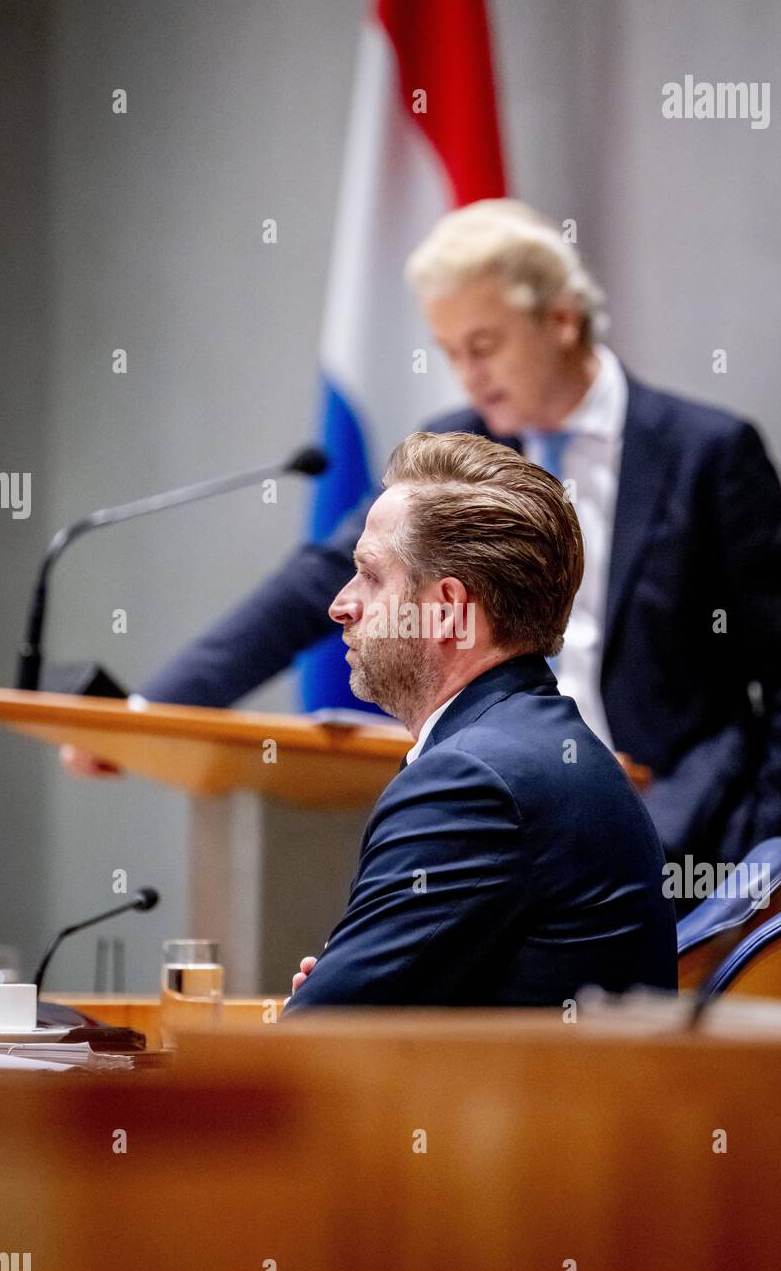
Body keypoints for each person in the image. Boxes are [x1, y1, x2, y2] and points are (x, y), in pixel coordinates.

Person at [64, 200, 781, 868]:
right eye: (451, 351)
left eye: (485, 345)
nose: (467, 374)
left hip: (685, 829)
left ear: (561, 318)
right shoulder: (457, 448)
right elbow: (318, 582)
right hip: (510, 812)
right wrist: (146, 714)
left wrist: (780, 841)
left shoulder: (706, 452)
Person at [281, 430, 676, 1011]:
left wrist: (334, 999)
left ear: (447, 609)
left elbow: (309, 1048)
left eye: (369, 575)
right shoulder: (528, 746)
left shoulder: (473, 782)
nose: (340, 605)